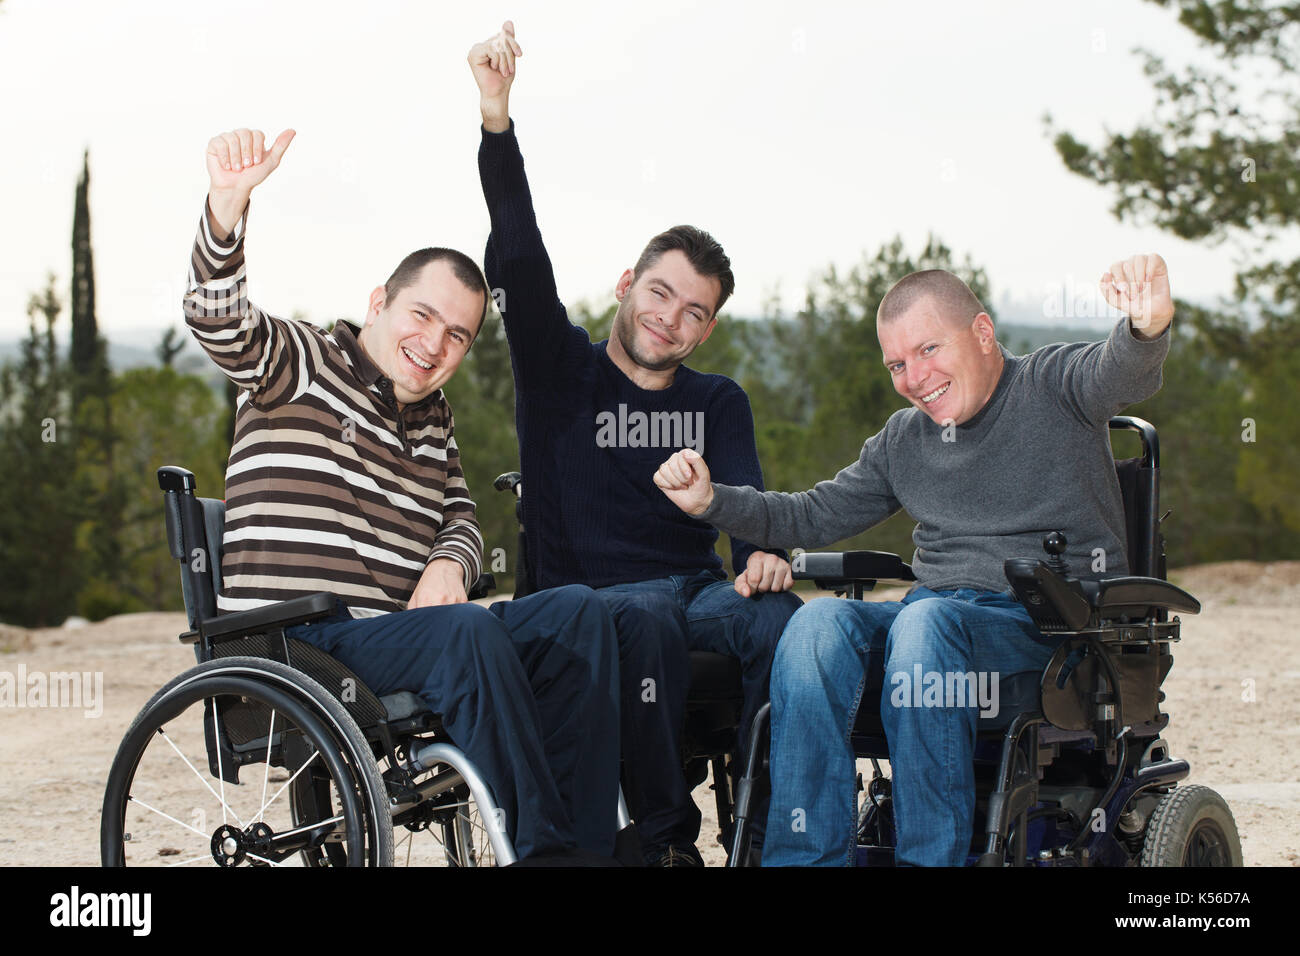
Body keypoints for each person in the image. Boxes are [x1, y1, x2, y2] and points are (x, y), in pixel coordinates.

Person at [183, 125, 620, 862]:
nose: (436, 343)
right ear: (380, 300)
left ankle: (595, 844)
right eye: (423, 315)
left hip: (390, 643)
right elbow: (222, 325)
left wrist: (450, 563)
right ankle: (547, 854)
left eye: (458, 335)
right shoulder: (306, 360)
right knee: (469, 633)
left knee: (580, 614)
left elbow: (459, 511)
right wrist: (226, 212)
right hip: (299, 645)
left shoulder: (432, 418)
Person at [655, 257, 1175, 865]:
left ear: (983, 333)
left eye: (929, 349)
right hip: (930, 623)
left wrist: (1147, 322)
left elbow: (1123, 370)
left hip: (1052, 631)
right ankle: (806, 859)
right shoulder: (906, 438)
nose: (915, 378)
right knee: (817, 625)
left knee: (925, 627)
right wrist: (711, 500)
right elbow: (808, 515)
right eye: (897, 364)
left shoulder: (1054, 386)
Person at [468, 21, 803, 866]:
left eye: (694, 310)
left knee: (780, 623)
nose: (670, 318)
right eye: (659, 293)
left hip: (694, 590)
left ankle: (762, 841)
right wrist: (497, 119)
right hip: (588, 602)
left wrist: (763, 552)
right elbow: (519, 247)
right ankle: (663, 845)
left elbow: (749, 504)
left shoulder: (718, 400)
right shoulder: (558, 371)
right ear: (627, 285)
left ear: (710, 325)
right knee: (646, 618)